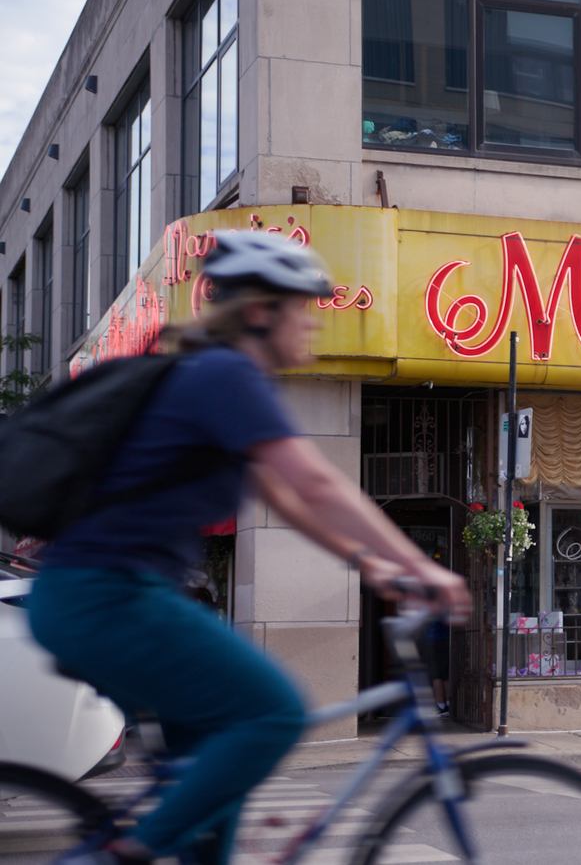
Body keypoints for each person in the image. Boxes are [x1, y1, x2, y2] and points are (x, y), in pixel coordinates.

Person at [27, 232, 471, 865]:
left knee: (213, 786)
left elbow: (287, 499)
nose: (316, 322)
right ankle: (116, 855)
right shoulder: (226, 372)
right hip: (110, 597)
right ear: (262, 312)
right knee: (274, 713)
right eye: (306, 308)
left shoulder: (210, 374)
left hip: (91, 598)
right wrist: (424, 567)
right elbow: (317, 481)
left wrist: (369, 563)